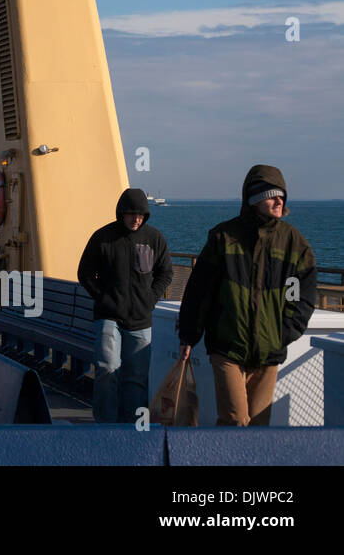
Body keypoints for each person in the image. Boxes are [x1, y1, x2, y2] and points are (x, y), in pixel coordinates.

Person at [178, 165, 317, 426]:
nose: (279, 200)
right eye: (271, 194)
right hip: (227, 346)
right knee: (235, 421)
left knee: (258, 428)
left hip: (269, 351)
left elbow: (300, 295)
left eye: (282, 195)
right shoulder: (223, 237)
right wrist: (188, 334)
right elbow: (200, 290)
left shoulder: (294, 243)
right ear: (253, 199)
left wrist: (284, 332)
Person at [77, 188, 173, 423]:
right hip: (109, 317)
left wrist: (151, 299)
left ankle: (131, 428)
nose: (136, 219)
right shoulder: (103, 237)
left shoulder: (155, 238)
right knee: (107, 369)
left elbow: (165, 273)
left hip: (141, 319)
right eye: (131, 214)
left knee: (136, 378)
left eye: (140, 215)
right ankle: (106, 425)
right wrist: (104, 298)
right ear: (121, 213)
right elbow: (85, 273)